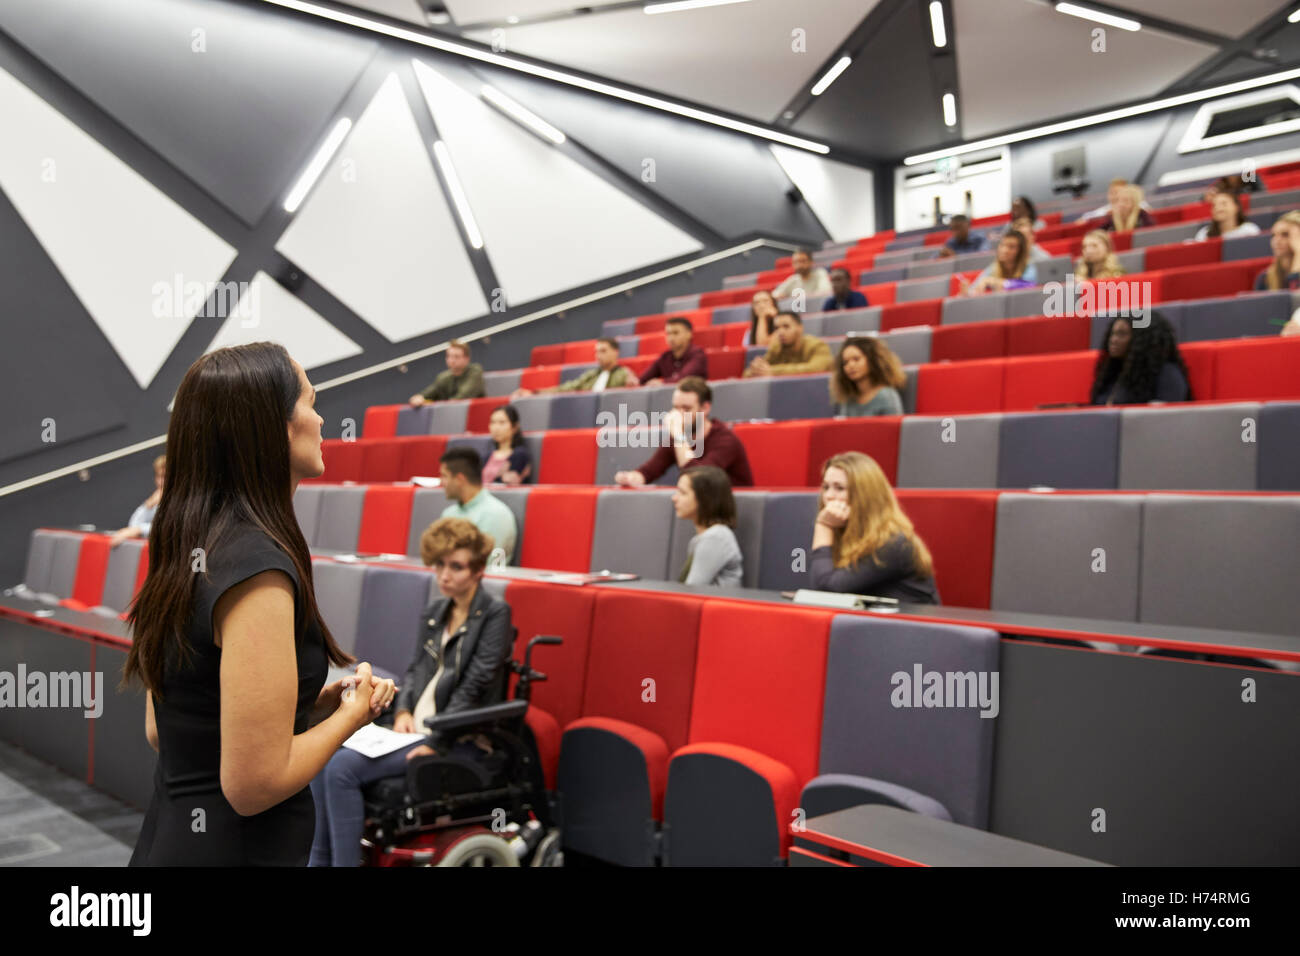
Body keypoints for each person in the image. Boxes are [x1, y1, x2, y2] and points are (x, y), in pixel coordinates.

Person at [125, 342, 393, 866]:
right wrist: (352, 717)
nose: (320, 419)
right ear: (274, 427)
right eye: (311, 403)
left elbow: (171, 728)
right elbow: (253, 786)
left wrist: (308, 706)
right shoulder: (257, 569)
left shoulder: (187, 541)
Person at [309, 517, 513, 867]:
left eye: (456, 566)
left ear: (479, 570)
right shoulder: (435, 612)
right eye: (440, 565)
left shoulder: (495, 614)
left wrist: (435, 738)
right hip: (410, 730)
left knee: (342, 769)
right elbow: (415, 670)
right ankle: (318, 861)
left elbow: (477, 684)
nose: (444, 575)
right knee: (322, 753)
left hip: (455, 737)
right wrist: (403, 712)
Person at [808, 452, 939, 603]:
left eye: (839, 488)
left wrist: (823, 526)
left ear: (865, 495)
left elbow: (827, 591)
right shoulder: (840, 533)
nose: (829, 496)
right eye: (826, 487)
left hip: (908, 624)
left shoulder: (894, 543)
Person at [614, 376, 754, 488]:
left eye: (686, 409)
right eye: (676, 408)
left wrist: (678, 435)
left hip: (732, 513)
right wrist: (630, 477)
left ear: (705, 408)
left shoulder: (725, 440)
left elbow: (696, 480)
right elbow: (649, 472)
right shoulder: (679, 435)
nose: (679, 415)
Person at [1089, 313, 1191, 406]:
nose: (1113, 340)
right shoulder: (1115, 373)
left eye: (1122, 334)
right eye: (1112, 334)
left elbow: (1168, 417)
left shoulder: (1167, 374)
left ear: (1142, 340)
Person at [438, 446, 517, 563]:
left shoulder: (496, 515)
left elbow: (488, 565)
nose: (441, 482)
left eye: (444, 476)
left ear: (460, 479)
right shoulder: (448, 513)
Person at [671, 466, 743, 587]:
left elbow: (691, 592)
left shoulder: (716, 537)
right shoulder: (701, 539)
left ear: (704, 498)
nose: (674, 498)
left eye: (683, 493)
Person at [512, 338, 632, 397]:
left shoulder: (624, 373)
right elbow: (566, 388)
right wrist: (534, 393)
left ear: (616, 352)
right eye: (596, 352)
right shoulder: (591, 375)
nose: (598, 355)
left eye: (603, 351)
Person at [830, 337, 906, 416]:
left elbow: (893, 427)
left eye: (856, 359)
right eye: (845, 362)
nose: (850, 365)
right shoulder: (849, 399)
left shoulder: (887, 396)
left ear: (872, 360)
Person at [744, 312, 834, 377]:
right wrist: (755, 369)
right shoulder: (776, 347)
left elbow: (815, 368)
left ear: (800, 328)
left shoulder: (818, 346)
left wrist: (773, 371)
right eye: (777, 328)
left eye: (786, 326)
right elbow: (749, 373)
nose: (780, 332)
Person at [109, 455, 166, 548]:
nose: (161, 482)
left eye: (164, 476)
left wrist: (140, 530)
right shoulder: (156, 499)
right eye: (158, 476)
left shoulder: (182, 500)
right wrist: (149, 504)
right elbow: (133, 525)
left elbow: (169, 528)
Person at [410, 340, 484, 405]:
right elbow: (428, 393)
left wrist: (443, 405)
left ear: (466, 359)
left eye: (456, 357)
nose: (452, 360)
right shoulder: (443, 377)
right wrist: (419, 398)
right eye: (449, 356)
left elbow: (462, 397)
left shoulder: (475, 371)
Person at [962, 230, 1037, 295]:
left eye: (1011, 247)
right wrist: (967, 293)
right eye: (1002, 245)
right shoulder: (993, 268)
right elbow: (975, 289)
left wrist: (997, 282)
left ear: (1020, 251)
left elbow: (1030, 286)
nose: (1005, 250)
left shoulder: (1028, 266)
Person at [639, 316, 708, 386]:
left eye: (676, 333)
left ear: (689, 334)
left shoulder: (697, 354)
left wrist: (662, 383)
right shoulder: (664, 357)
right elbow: (642, 380)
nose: (671, 338)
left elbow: (683, 380)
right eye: (668, 334)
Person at [482, 405, 532, 485]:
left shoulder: (520, 455)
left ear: (514, 427)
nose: (496, 428)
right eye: (492, 422)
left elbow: (507, 483)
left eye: (502, 423)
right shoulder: (486, 456)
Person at [1255, 211, 1300, 290]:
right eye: (1273, 235)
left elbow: (1296, 299)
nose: (1276, 241)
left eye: (1285, 234)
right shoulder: (1265, 278)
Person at [1194, 190, 1260, 241]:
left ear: (1236, 207)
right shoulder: (1204, 234)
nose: (1218, 208)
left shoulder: (1250, 230)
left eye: (1224, 203)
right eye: (1214, 205)